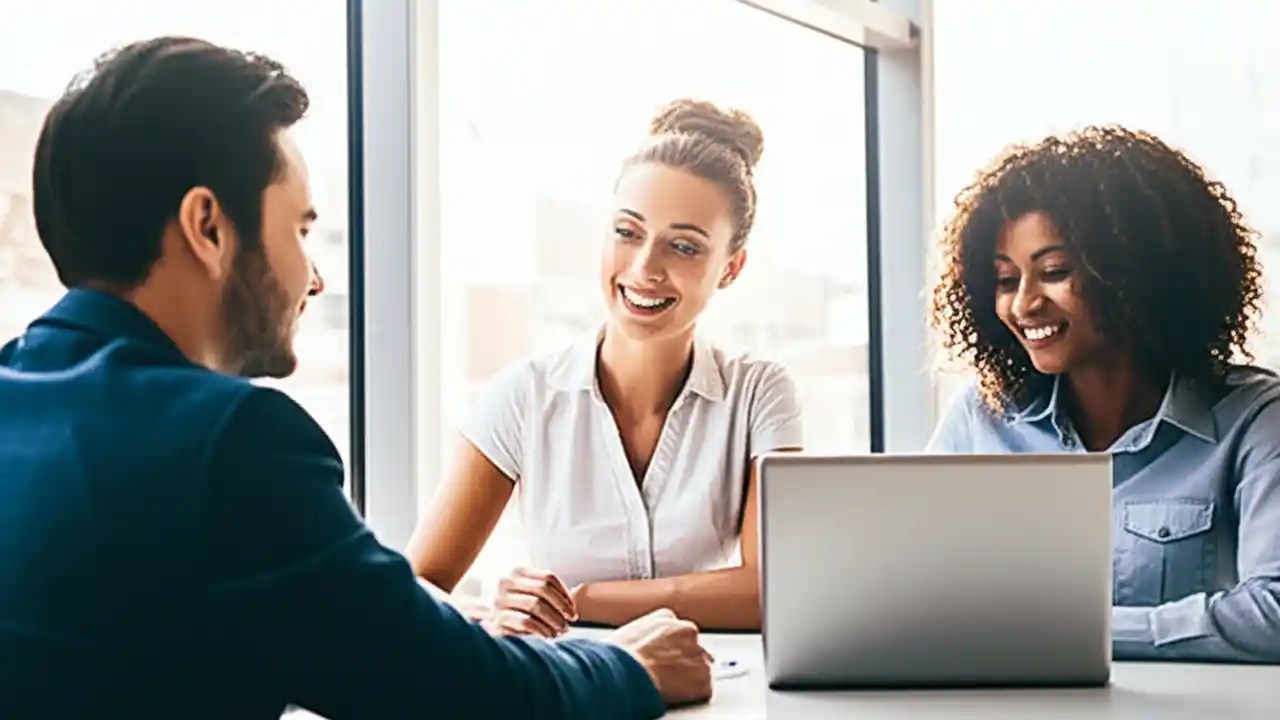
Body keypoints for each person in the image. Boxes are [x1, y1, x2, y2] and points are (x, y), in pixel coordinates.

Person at [0, 37, 712, 718]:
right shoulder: (228, 443)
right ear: (208, 228)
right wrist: (629, 666)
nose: (314, 278)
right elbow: (456, 694)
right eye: (301, 229)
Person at [406, 99, 803, 636]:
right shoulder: (525, 396)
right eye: (628, 232)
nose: (644, 269)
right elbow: (417, 586)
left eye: (683, 247)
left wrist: (582, 600)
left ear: (730, 268)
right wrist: (498, 611)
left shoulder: (758, 393)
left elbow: (771, 590)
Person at [927, 125, 1280, 662]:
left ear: (1134, 273)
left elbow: (1272, 614)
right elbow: (916, 591)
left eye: (1054, 272)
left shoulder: (1253, 421)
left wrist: (1073, 632)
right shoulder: (981, 417)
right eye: (1004, 280)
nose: (1024, 304)